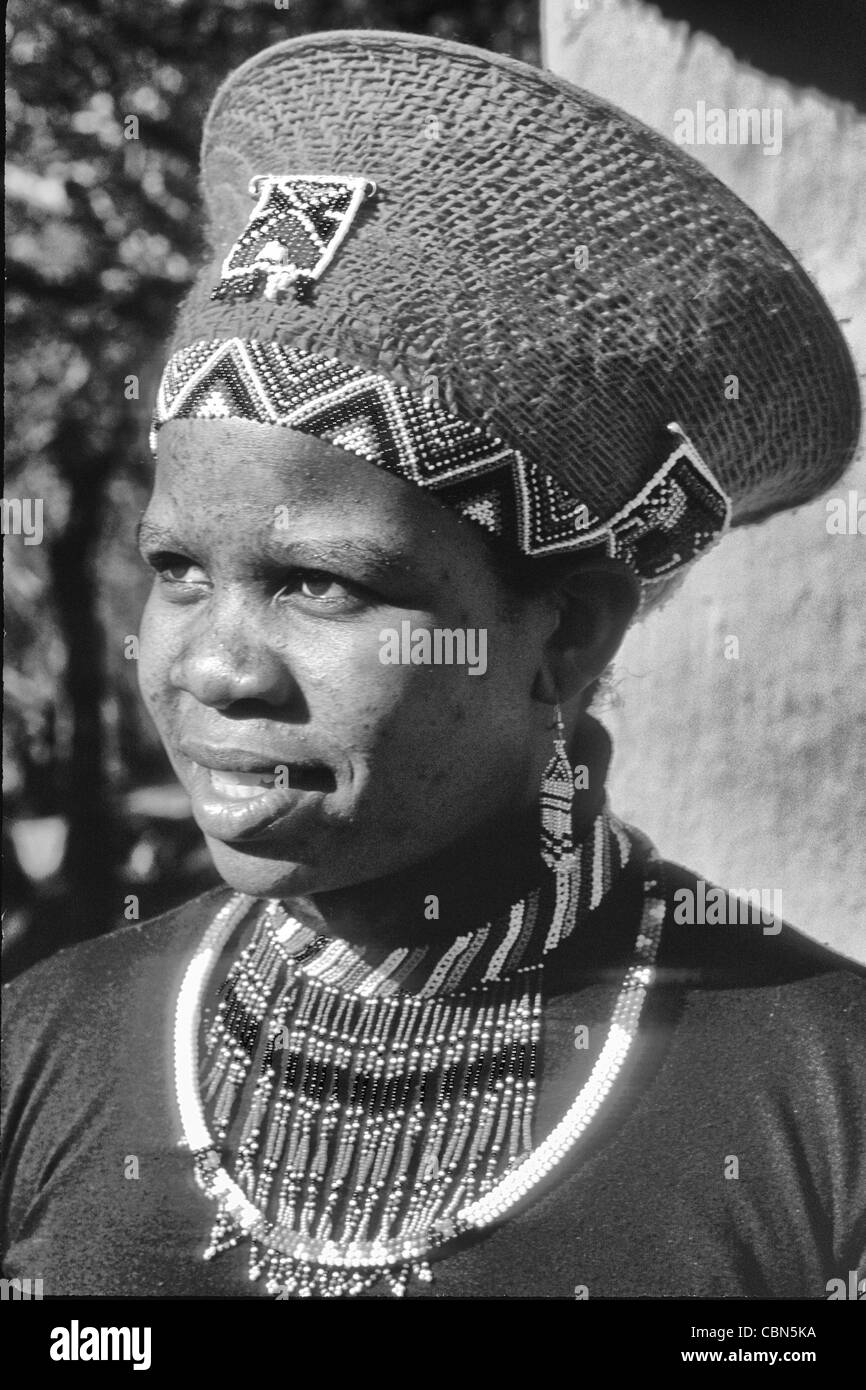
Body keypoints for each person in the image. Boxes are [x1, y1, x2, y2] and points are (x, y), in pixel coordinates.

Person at [2, 29, 864, 1301]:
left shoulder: (819, 1102)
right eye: (178, 569)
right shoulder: (38, 1046)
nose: (214, 666)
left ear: (567, 634)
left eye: (318, 582)